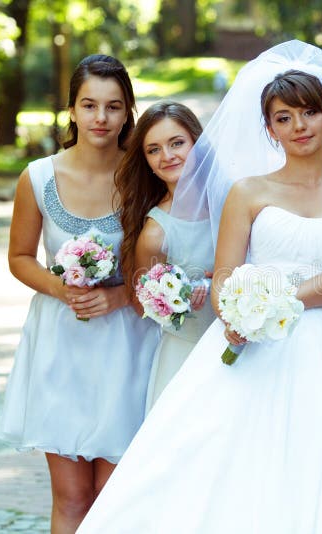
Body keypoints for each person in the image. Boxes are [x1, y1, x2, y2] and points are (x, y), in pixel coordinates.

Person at [77, 41, 322, 533]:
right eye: (283, 118)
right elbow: (223, 276)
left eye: (307, 113)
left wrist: (274, 302)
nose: (298, 127)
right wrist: (235, 314)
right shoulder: (248, 191)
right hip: (251, 344)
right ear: (269, 128)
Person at [0, 54, 158, 533]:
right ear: (72, 110)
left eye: (113, 106)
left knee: (114, 493)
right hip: (61, 347)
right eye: (89, 105)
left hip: (128, 346)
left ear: (128, 113)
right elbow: (20, 257)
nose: (100, 118)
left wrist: (122, 296)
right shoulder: (38, 177)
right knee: (72, 495)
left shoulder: (143, 176)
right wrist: (60, 289)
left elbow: (170, 259)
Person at [115, 101, 215, 413]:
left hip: (242, 346)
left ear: (197, 143)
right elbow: (143, 302)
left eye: (177, 143)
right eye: (154, 150)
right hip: (185, 356)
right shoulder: (156, 232)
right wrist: (178, 299)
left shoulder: (233, 202)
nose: (167, 156)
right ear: (146, 161)